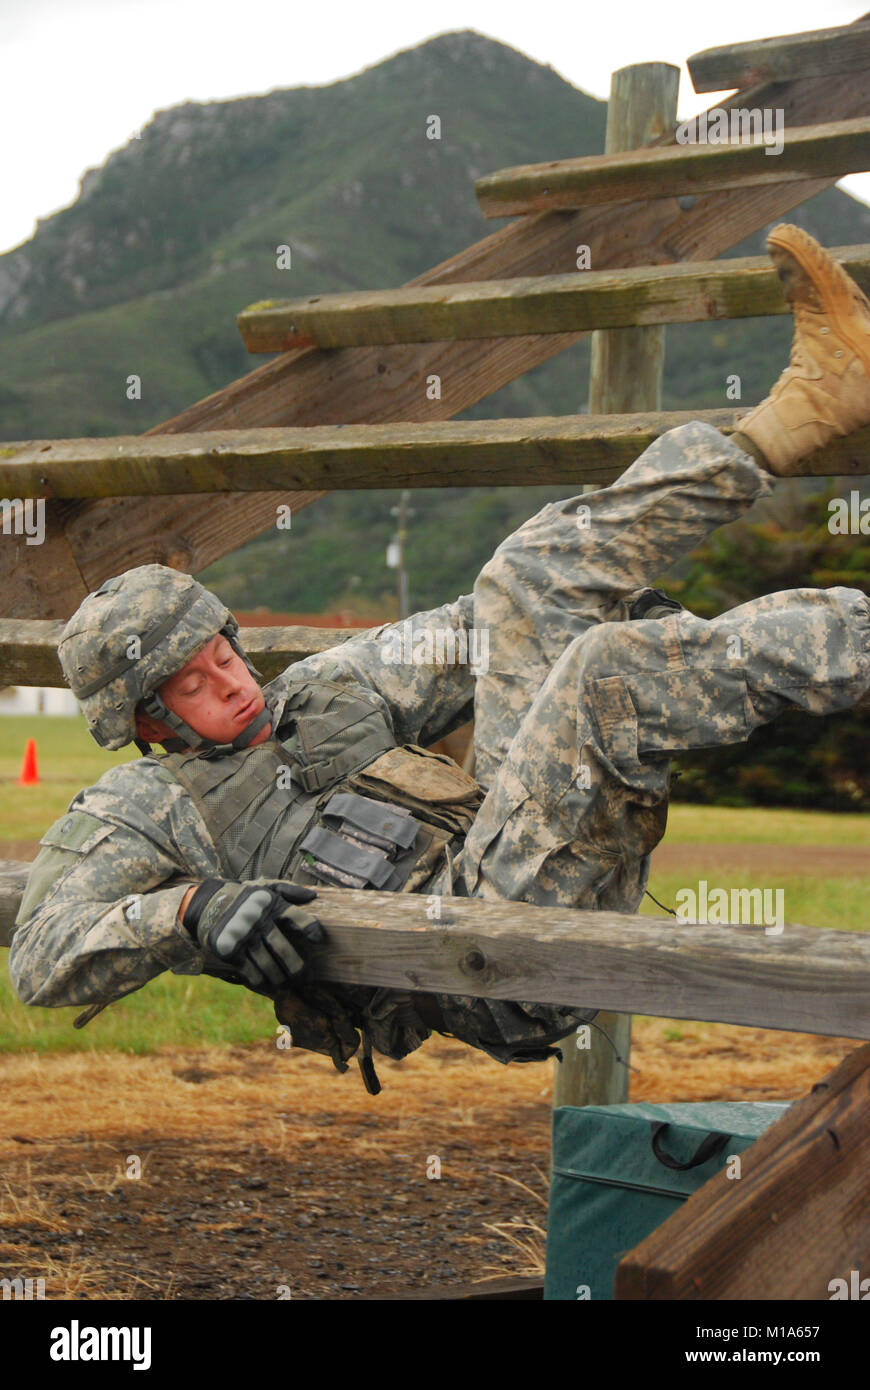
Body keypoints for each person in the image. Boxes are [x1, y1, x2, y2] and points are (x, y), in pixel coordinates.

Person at [9, 225, 870, 1092]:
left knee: (526, 576)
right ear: (152, 723)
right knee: (604, 672)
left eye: (220, 654)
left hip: (515, 845)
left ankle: (803, 412)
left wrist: (569, 601)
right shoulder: (152, 806)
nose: (228, 681)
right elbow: (39, 956)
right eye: (189, 684)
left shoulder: (324, 690)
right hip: (475, 962)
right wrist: (189, 914)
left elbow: (480, 626)